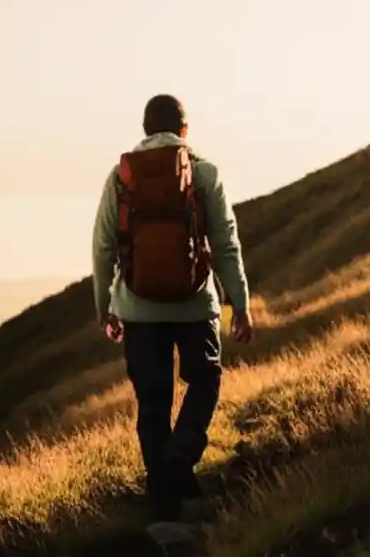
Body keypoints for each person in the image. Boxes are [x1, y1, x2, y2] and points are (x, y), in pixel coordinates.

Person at [92, 94, 253, 527]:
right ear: (185, 130)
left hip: (138, 308)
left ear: (145, 129)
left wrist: (104, 306)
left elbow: (104, 245)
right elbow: (225, 243)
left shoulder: (120, 177)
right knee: (205, 379)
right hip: (195, 304)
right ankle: (182, 455)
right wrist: (240, 303)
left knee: (153, 398)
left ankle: (163, 500)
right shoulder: (203, 173)